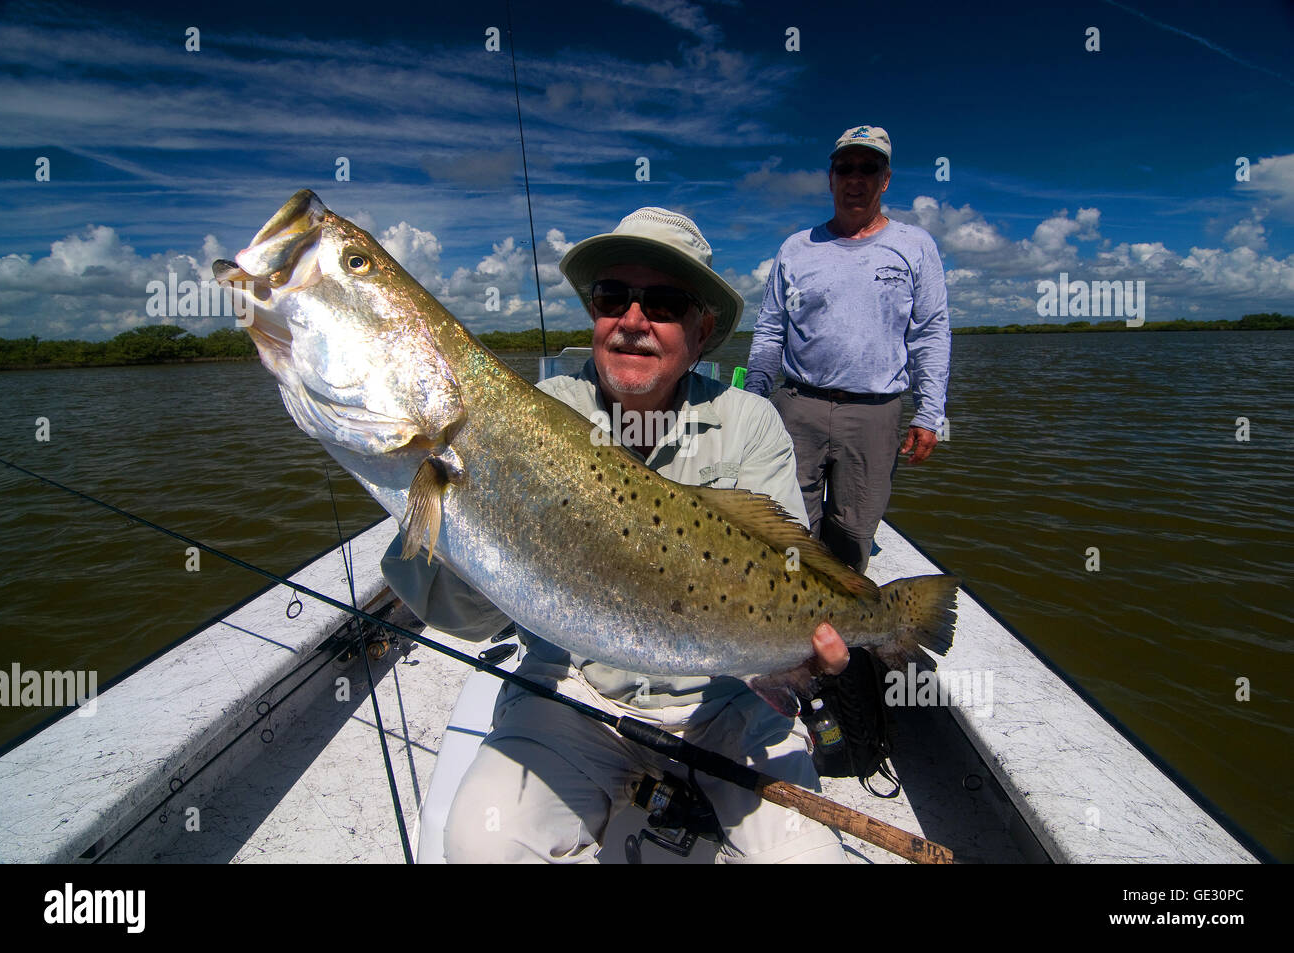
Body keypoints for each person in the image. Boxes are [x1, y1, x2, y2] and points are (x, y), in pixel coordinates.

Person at [380, 207, 849, 863]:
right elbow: (468, 616)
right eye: (611, 297)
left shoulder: (750, 423)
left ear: (702, 328)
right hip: (571, 693)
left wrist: (807, 646)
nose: (632, 319)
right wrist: (435, 504)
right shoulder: (535, 414)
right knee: (478, 843)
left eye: (662, 301)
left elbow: (786, 566)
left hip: (725, 704)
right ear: (595, 315)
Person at [746, 125, 950, 575]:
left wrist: (929, 412)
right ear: (831, 177)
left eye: (868, 168)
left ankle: (847, 632)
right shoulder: (796, 248)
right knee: (785, 528)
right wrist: (754, 402)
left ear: (886, 178)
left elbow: (930, 334)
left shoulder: (915, 246)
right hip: (797, 405)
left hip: (875, 413)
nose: (856, 178)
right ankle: (791, 633)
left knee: (855, 532)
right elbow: (769, 331)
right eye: (845, 168)